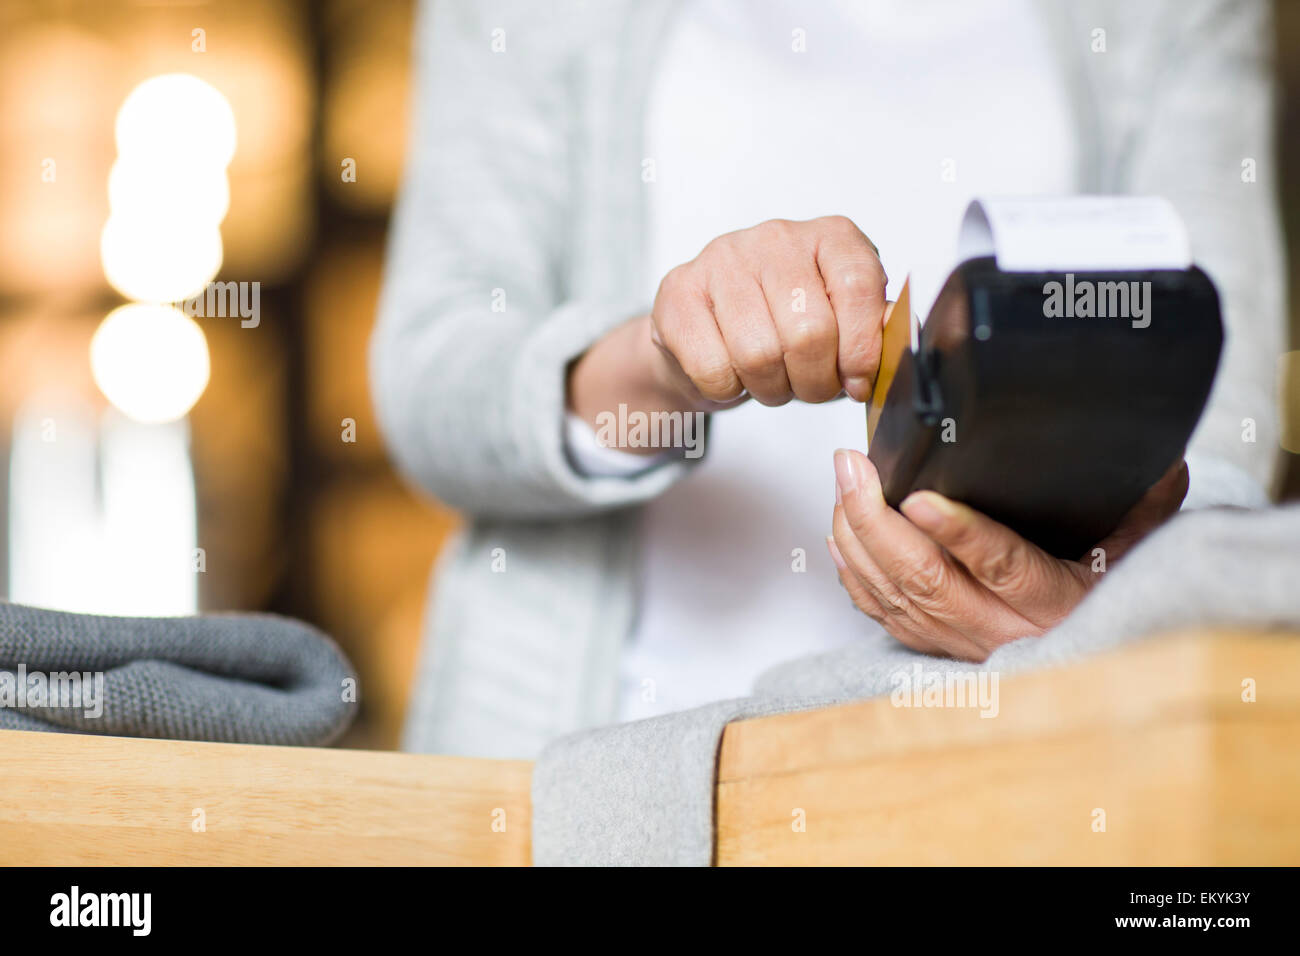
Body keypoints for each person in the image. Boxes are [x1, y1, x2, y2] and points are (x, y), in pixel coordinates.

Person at [372, 0, 1284, 758]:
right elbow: (434, 374)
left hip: (1012, 759)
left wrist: (1123, 590)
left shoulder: (1173, 16)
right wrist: (660, 367)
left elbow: (1221, 385)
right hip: (587, 759)